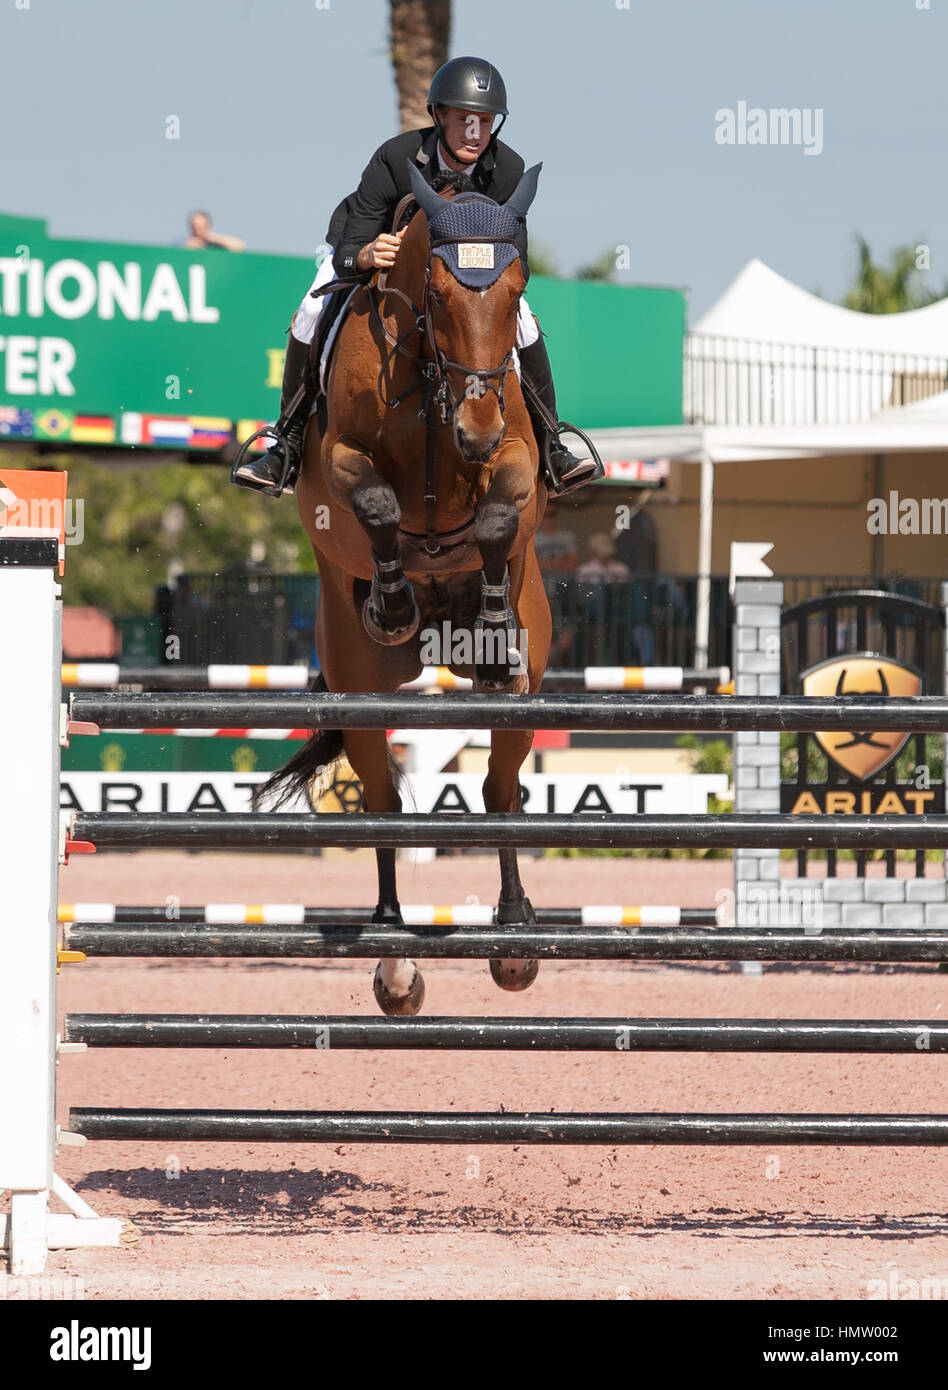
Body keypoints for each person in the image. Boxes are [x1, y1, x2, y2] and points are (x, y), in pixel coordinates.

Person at [234, 56, 603, 498]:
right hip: (379, 258)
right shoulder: (395, 157)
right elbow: (352, 243)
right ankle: (285, 446)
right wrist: (371, 253)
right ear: (438, 116)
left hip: (466, 282)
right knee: (310, 310)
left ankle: (552, 445)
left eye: (484, 122)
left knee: (524, 320)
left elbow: (515, 256)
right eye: (464, 119)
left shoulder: (507, 170)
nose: (474, 133)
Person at [181, 211, 245, 252]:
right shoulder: (183, 243)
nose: (198, 231)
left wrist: (212, 238)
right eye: (195, 227)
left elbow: (240, 246)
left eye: (201, 227)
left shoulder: (215, 245)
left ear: (208, 226)